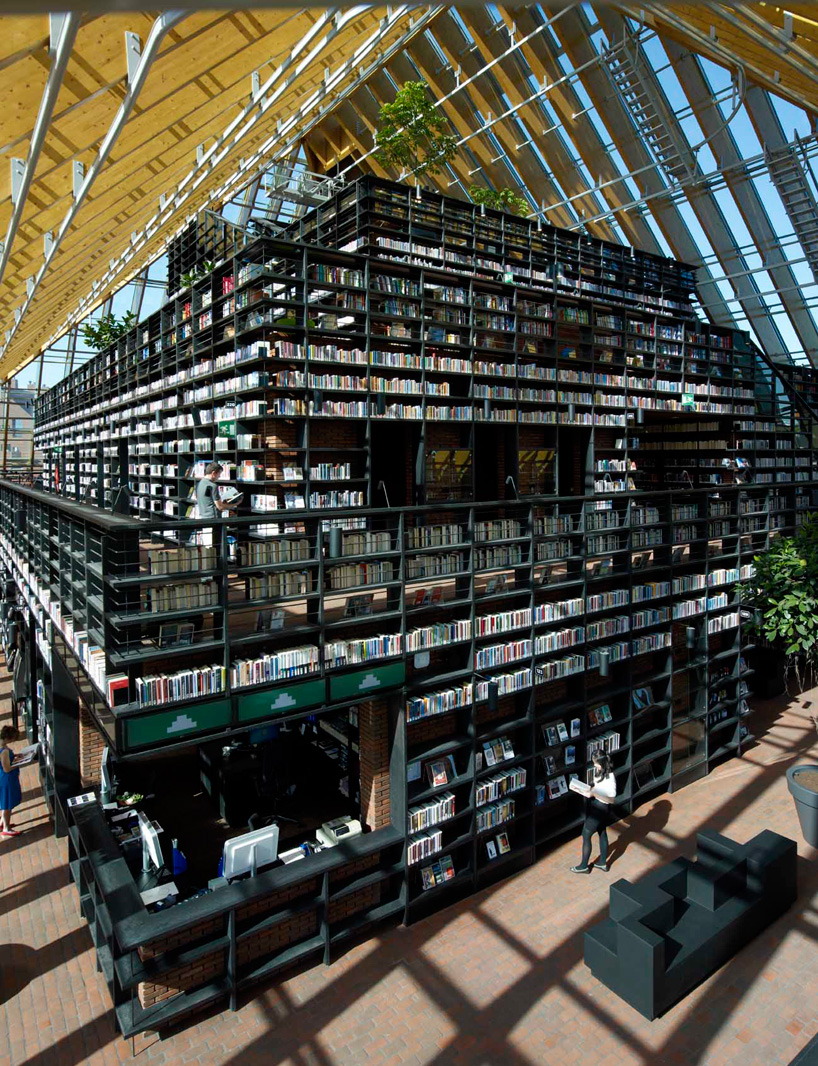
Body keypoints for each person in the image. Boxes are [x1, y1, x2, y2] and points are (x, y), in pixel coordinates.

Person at [571, 752, 617, 874]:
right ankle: (602, 863)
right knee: (602, 832)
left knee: (586, 834)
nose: (594, 765)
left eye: (595, 763)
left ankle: (584, 866)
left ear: (601, 763)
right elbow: (598, 789)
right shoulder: (601, 772)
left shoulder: (610, 777)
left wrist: (594, 793)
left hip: (600, 809)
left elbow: (611, 798)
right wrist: (589, 791)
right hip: (599, 806)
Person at [0, 725, 23, 837]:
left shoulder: (2, 745)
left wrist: (14, 756)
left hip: (3, 778)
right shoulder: (3, 751)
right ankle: (6, 828)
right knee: (7, 805)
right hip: (7, 780)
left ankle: (2, 823)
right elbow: (7, 768)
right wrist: (18, 763)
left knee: (5, 802)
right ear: (9, 738)